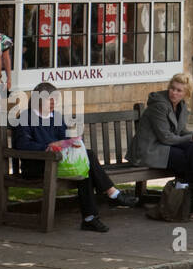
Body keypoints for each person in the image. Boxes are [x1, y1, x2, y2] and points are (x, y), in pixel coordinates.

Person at [14, 82, 139, 232]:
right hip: (37, 165)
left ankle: (91, 218)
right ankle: (109, 197)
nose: (54, 103)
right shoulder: (26, 117)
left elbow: (66, 140)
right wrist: (49, 146)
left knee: (84, 165)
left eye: (56, 99)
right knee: (88, 158)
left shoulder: (56, 117)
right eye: (50, 99)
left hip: (59, 162)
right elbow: (21, 144)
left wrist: (73, 142)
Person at [128, 73, 193, 222]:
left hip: (164, 148)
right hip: (150, 151)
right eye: (172, 88)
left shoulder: (181, 106)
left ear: (186, 93)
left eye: (179, 90)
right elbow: (166, 137)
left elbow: (181, 131)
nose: (174, 92)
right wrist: (191, 138)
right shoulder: (159, 105)